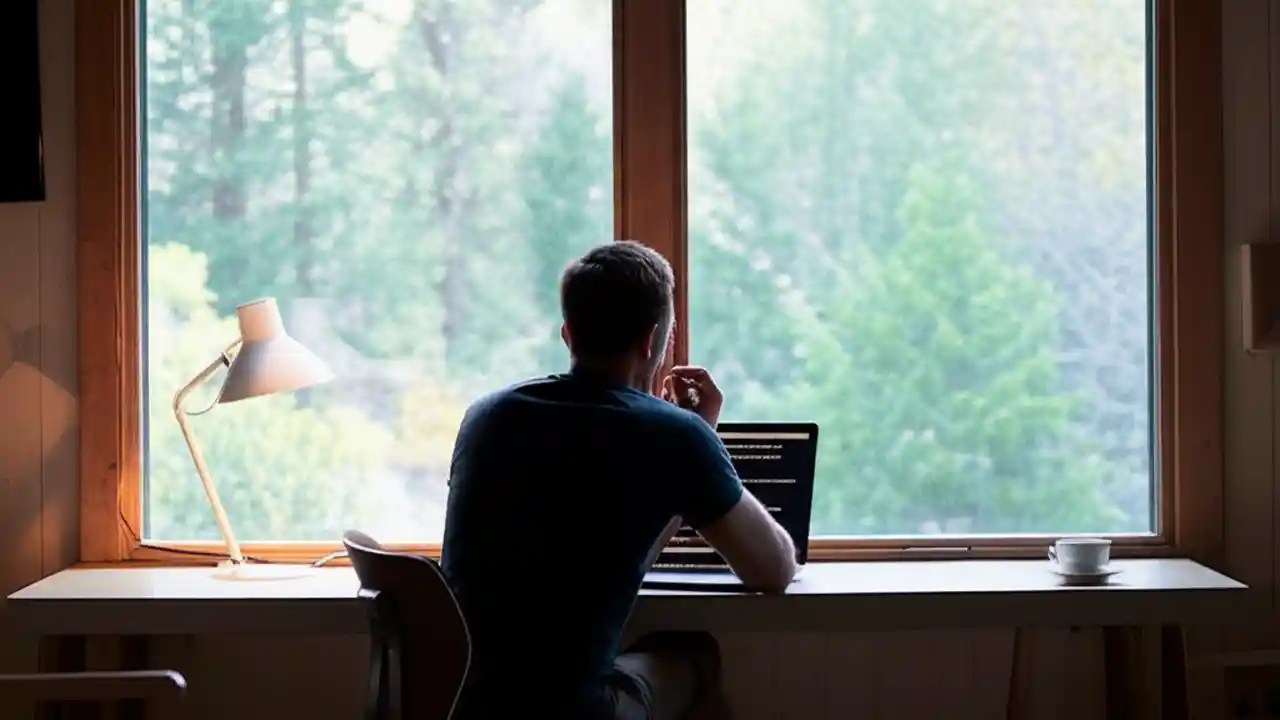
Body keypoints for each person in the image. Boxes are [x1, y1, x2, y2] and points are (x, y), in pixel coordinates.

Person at [440, 240, 798, 719]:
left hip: (464, 707)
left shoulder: (486, 416)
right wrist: (701, 439)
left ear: (568, 334)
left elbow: (615, 552)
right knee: (694, 655)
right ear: (652, 341)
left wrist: (687, 459)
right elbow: (773, 569)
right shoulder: (673, 435)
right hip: (576, 711)